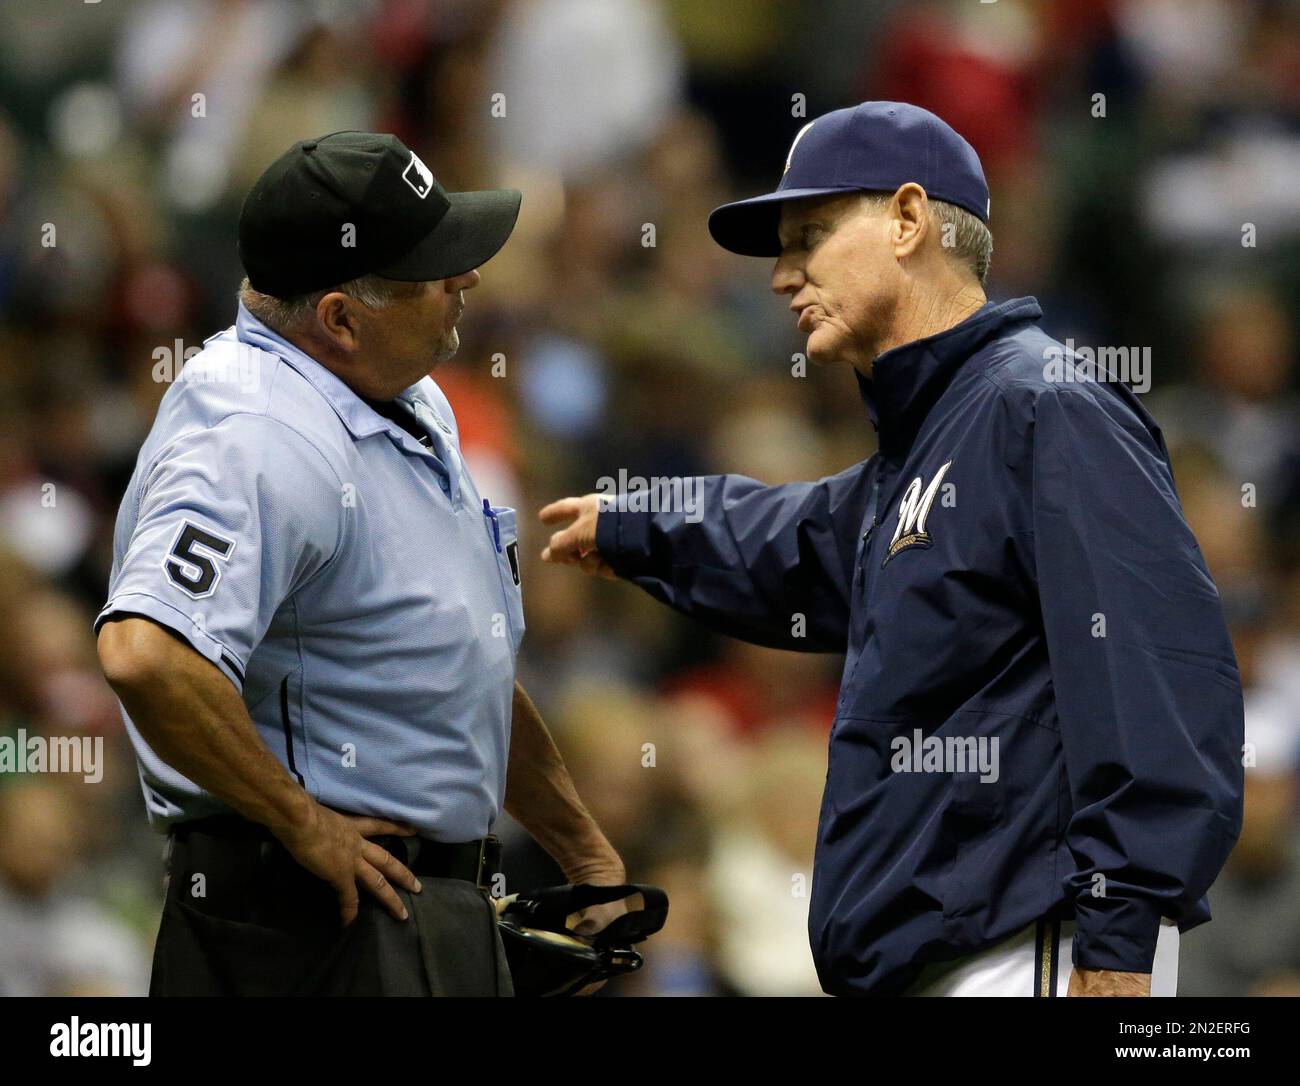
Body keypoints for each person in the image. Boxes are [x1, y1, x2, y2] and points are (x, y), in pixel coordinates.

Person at [540, 102, 1244, 997]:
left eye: (811, 236)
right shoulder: (933, 440)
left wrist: (1119, 941)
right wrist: (637, 523)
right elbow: (791, 537)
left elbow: (1157, 677)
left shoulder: (1042, 404)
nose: (781, 276)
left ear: (909, 220)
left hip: (1041, 951)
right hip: (956, 957)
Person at [95, 131, 624, 996]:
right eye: (433, 269)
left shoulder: (401, 392)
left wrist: (583, 853)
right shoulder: (254, 433)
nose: (468, 280)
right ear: (340, 317)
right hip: (307, 923)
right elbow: (146, 654)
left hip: (410, 908)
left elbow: (454, 658)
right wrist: (301, 823)